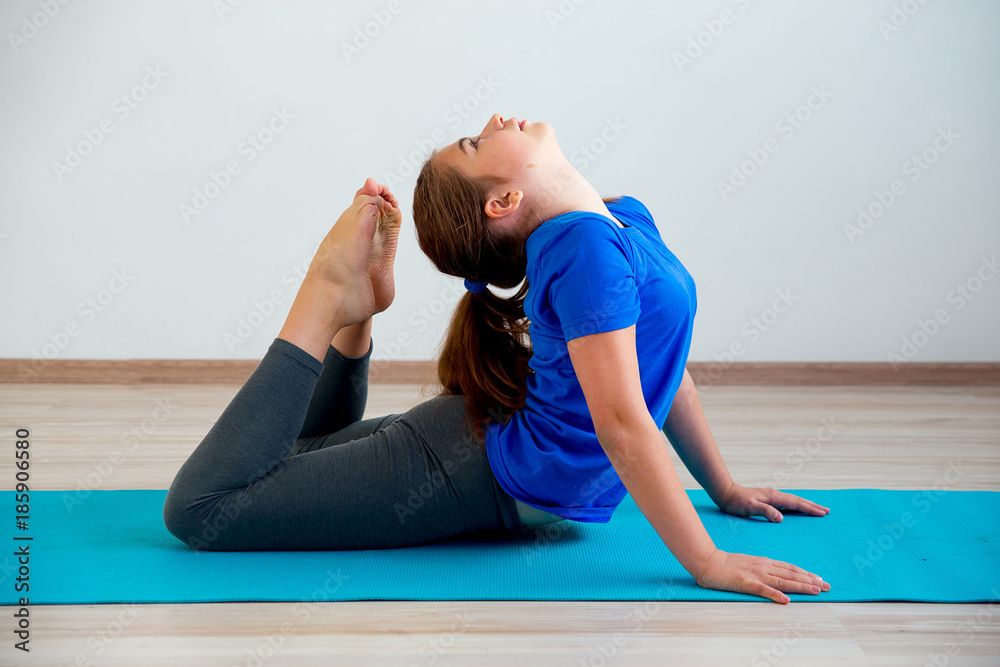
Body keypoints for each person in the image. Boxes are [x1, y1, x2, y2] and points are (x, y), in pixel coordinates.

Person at [163, 113, 831, 604]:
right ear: (504, 200)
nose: (494, 120)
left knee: (290, 450)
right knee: (202, 508)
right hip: (460, 470)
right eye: (478, 142)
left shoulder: (624, 221)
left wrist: (723, 487)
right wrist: (706, 559)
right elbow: (625, 424)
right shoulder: (584, 253)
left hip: (471, 444)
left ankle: (356, 311)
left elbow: (661, 369)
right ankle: (328, 297)